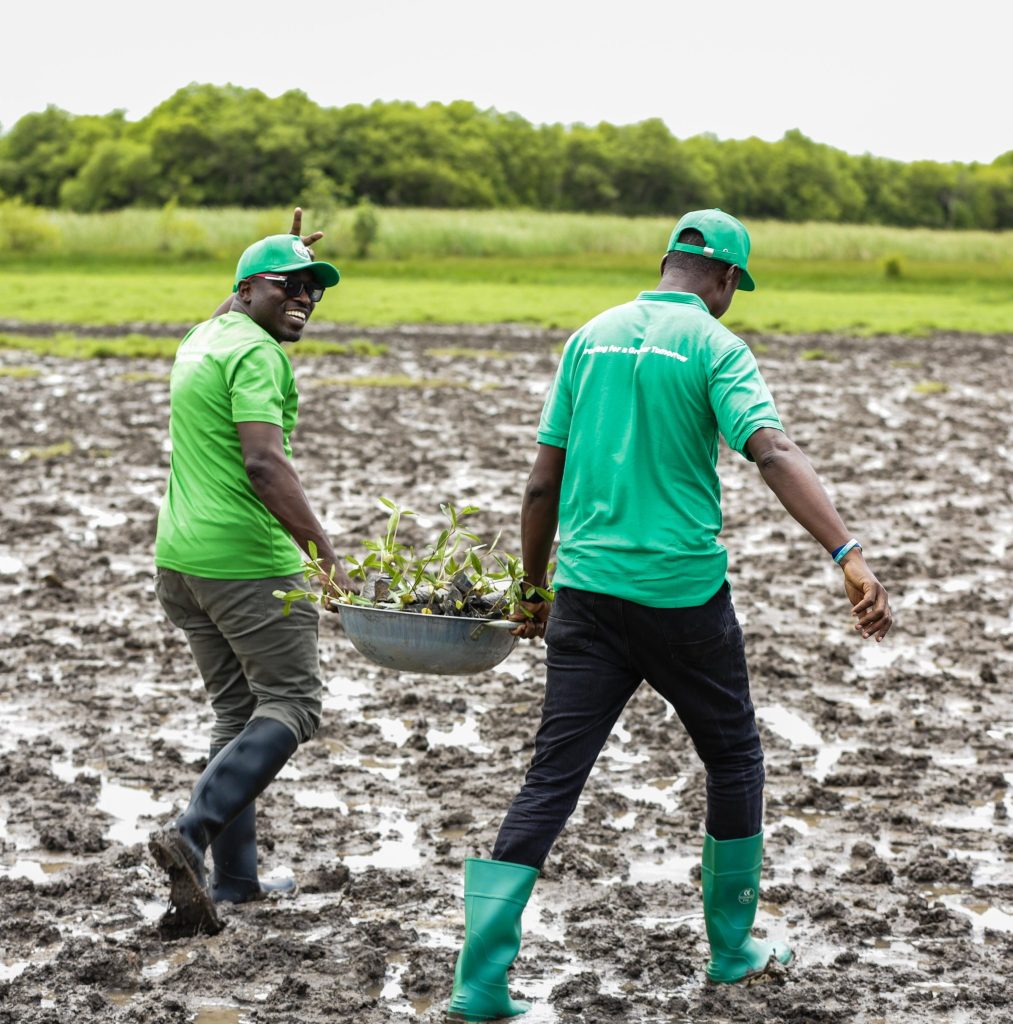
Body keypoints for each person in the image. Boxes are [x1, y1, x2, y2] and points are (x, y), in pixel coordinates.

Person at [447, 209, 893, 1020]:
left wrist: (534, 589)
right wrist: (846, 552)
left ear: (665, 265)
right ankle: (731, 949)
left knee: (551, 778)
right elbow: (771, 450)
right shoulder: (715, 347)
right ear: (725, 278)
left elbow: (540, 484)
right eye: (735, 286)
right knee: (734, 760)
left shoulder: (588, 340)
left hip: (586, 596)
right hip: (682, 602)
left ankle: (478, 984)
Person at [149, 210, 356, 935]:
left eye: (312, 289)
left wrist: (281, 255)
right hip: (247, 565)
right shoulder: (261, 357)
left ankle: (235, 881)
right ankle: (191, 833)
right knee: (293, 705)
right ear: (245, 290)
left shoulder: (203, 338)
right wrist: (324, 557)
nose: (302, 298)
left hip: (181, 564)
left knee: (238, 714)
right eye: (287, 285)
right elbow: (264, 463)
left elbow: (231, 305)